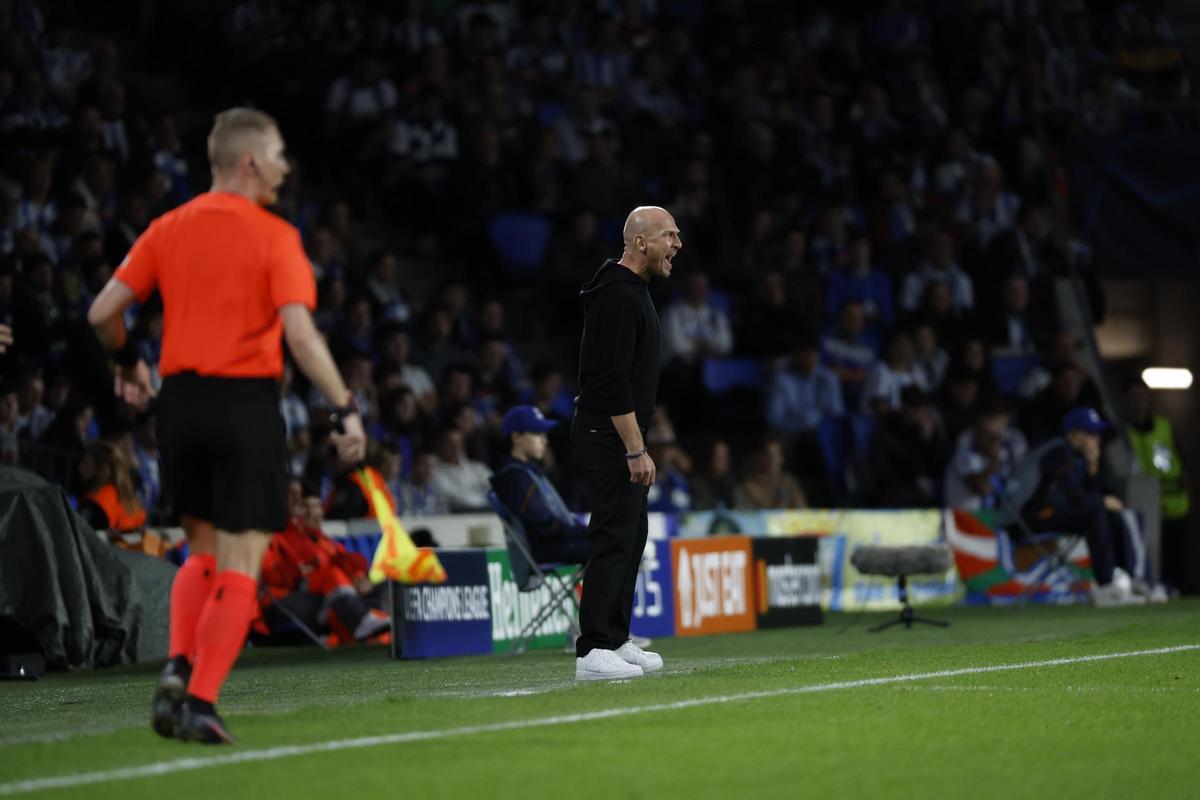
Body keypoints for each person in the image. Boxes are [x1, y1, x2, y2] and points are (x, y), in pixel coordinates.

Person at [86, 108, 366, 744]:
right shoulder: (275, 236)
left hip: (179, 404)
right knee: (243, 560)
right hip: (244, 405)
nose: (285, 167)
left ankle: (180, 665)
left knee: (203, 549)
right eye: (278, 154)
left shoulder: (166, 227)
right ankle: (200, 700)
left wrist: (129, 359)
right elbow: (299, 332)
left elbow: (103, 311)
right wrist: (343, 404)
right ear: (249, 162)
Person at [571, 205, 677, 681]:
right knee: (613, 535)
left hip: (618, 433)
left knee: (632, 535)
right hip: (608, 434)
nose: (677, 244)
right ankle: (592, 648)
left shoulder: (631, 291)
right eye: (669, 235)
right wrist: (634, 448)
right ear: (640, 242)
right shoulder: (618, 295)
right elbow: (613, 382)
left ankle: (615, 637)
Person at [1020, 408, 1156, 607]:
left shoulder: (1078, 458)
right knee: (1097, 510)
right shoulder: (1058, 453)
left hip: (1059, 513)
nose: (1097, 439)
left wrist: (1093, 468)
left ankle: (1129, 580)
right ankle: (1105, 587)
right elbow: (1062, 496)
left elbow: (1084, 496)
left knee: (1112, 515)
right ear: (1073, 434)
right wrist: (1100, 501)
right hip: (1039, 516)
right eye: (1091, 434)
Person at [259, 481, 389, 647]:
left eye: (317, 506)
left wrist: (358, 577)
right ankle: (364, 624)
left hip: (320, 592)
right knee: (333, 577)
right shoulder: (273, 534)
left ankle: (380, 627)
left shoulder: (321, 540)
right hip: (286, 597)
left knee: (385, 587)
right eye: (290, 496)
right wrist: (299, 572)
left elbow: (347, 561)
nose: (295, 501)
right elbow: (270, 574)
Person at [490, 404, 589, 564]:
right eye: (537, 433)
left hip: (556, 544)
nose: (545, 440)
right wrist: (584, 532)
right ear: (516, 438)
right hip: (545, 549)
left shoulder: (527, 471)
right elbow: (544, 524)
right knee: (607, 547)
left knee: (608, 544)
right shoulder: (514, 476)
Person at [1125, 379, 1194, 593]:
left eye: (1143, 397)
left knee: (1178, 551)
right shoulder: (1124, 432)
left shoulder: (1164, 426)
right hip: (1143, 501)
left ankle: (1180, 589)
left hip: (1173, 499)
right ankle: (1155, 588)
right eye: (1134, 398)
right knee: (1151, 552)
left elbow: (1179, 457)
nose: (1139, 403)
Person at [75, 438, 147, 532]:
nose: (80, 467)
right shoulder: (132, 501)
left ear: (101, 470)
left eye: (86, 462)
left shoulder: (94, 503)